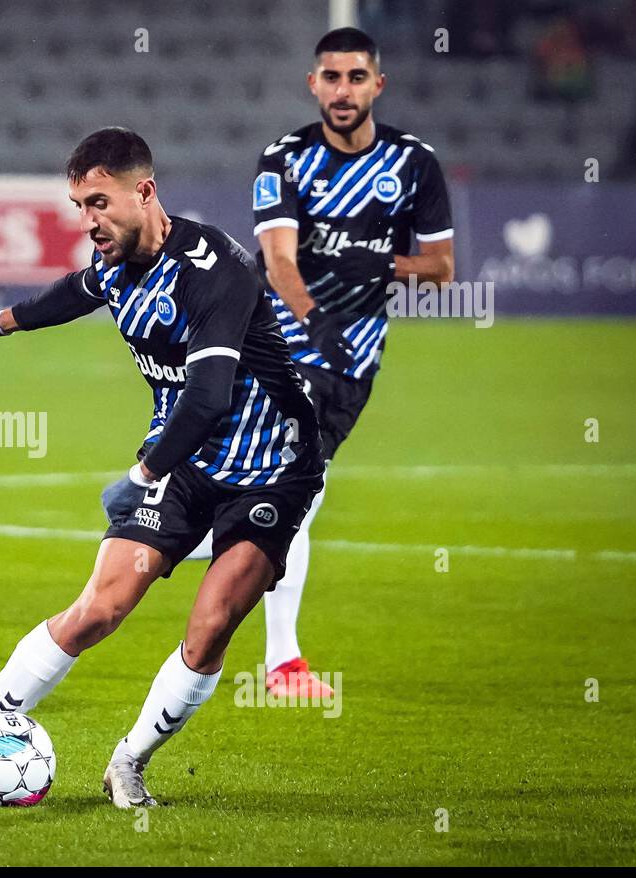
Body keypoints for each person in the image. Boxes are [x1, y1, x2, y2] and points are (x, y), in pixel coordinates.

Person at [0, 128, 324, 809]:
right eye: (78, 205)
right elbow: (74, 292)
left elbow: (209, 398)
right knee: (98, 609)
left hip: (271, 466)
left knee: (212, 624)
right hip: (185, 461)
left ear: (145, 192)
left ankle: (129, 760)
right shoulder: (113, 263)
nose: (87, 221)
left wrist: (140, 477)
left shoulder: (216, 271)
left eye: (98, 203)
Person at [187, 27, 455, 698]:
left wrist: (382, 263)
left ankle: (160, 534)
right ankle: (283, 662)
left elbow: (442, 272)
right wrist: (315, 325)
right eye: (330, 77)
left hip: (354, 365)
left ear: (377, 85)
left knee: (280, 491)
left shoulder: (414, 164)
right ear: (314, 85)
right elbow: (278, 263)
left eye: (355, 77)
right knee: (300, 487)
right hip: (284, 346)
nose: (342, 90)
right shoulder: (283, 159)